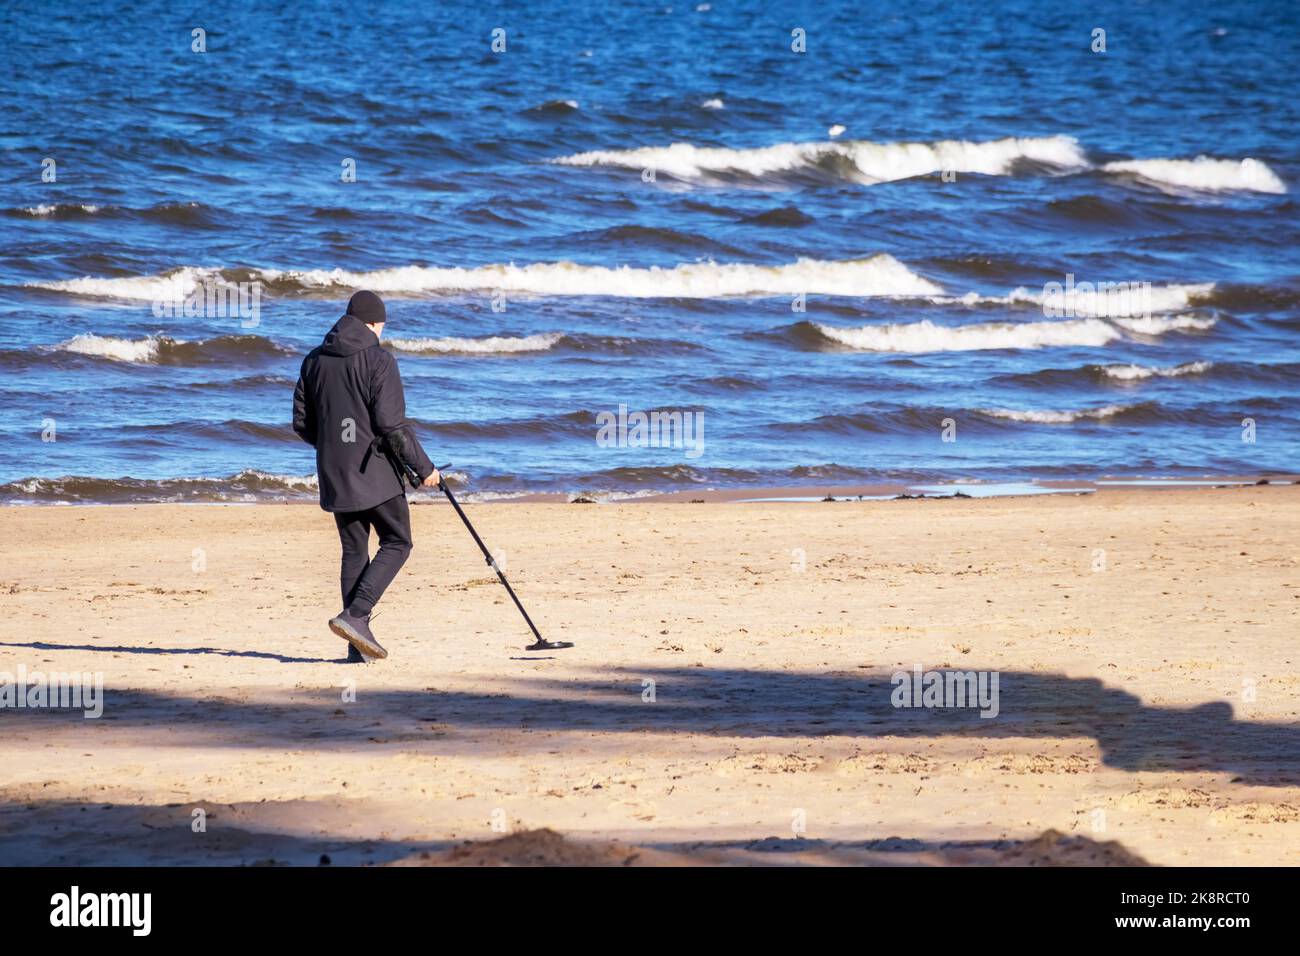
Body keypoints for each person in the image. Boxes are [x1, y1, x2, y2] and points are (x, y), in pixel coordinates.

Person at [292, 290, 438, 662]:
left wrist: (335, 449)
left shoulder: (313, 360)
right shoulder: (378, 359)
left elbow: (303, 424)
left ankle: (356, 646)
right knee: (397, 542)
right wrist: (425, 470)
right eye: (382, 325)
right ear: (374, 323)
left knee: (354, 550)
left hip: (335, 473)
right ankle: (356, 616)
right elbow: (391, 425)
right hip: (374, 474)